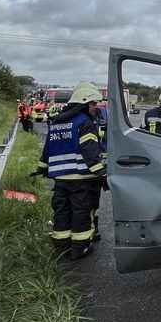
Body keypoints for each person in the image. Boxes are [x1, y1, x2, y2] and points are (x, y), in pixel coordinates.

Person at [35, 86, 106, 260]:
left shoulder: (57, 122)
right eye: (93, 104)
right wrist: (103, 174)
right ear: (84, 104)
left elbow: (47, 151)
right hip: (81, 179)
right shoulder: (84, 123)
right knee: (81, 212)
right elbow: (90, 154)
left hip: (60, 180)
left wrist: (42, 168)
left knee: (62, 213)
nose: (95, 107)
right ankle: (80, 248)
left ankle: (61, 248)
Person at [72, 81, 107, 242]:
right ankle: (82, 234)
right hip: (78, 167)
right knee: (79, 205)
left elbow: (110, 139)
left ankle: (94, 229)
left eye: (95, 102)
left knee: (93, 201)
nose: (95, 105)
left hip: (98, 164)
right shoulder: (75, 118)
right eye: (91, 102)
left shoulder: (103, 115)